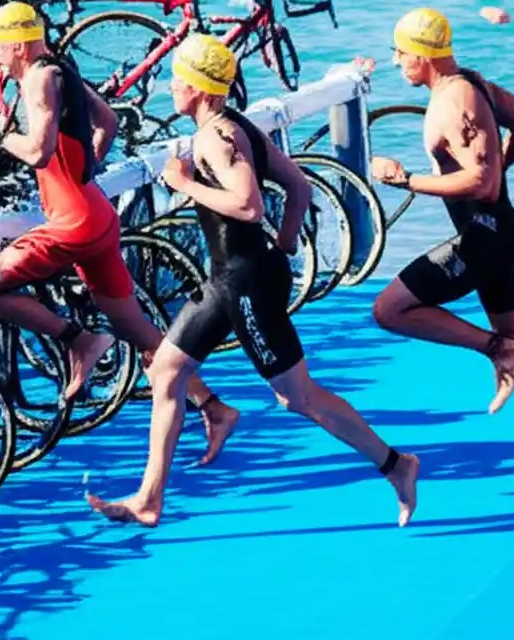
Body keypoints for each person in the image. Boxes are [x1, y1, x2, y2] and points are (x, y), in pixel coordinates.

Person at [86, 34, 420, 527]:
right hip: (232, 278)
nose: (172, 87)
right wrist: (283, 246)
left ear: (199, 90)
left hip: (243, 286)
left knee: (297, 397)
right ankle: (150, 498)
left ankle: (397, 464)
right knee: (167, 374)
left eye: (179, 80)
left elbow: (248, 205)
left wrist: (184, 184)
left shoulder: (215, 139)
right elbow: (299, 187)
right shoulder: (238, 126)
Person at [0, 2, 239, 463]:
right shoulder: (62, 68)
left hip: (72, 224)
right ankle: (213, 407)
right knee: (137, 329)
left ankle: (78, 339)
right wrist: (86, 170)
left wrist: (0, 133)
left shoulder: (36, 80)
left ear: (17, 44)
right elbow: (109, 121)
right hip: (96, 213)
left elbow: (38, 151)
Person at [367, 8, 514, 478]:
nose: (396, 63)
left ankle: (492, 347)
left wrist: (408, 180)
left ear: (421, 55)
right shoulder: (476, 84)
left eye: (400, 54)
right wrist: (496, 165)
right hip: (503, 234)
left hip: (486, 239)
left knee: (388, 310)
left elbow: (483, 185)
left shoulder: (455, 100)